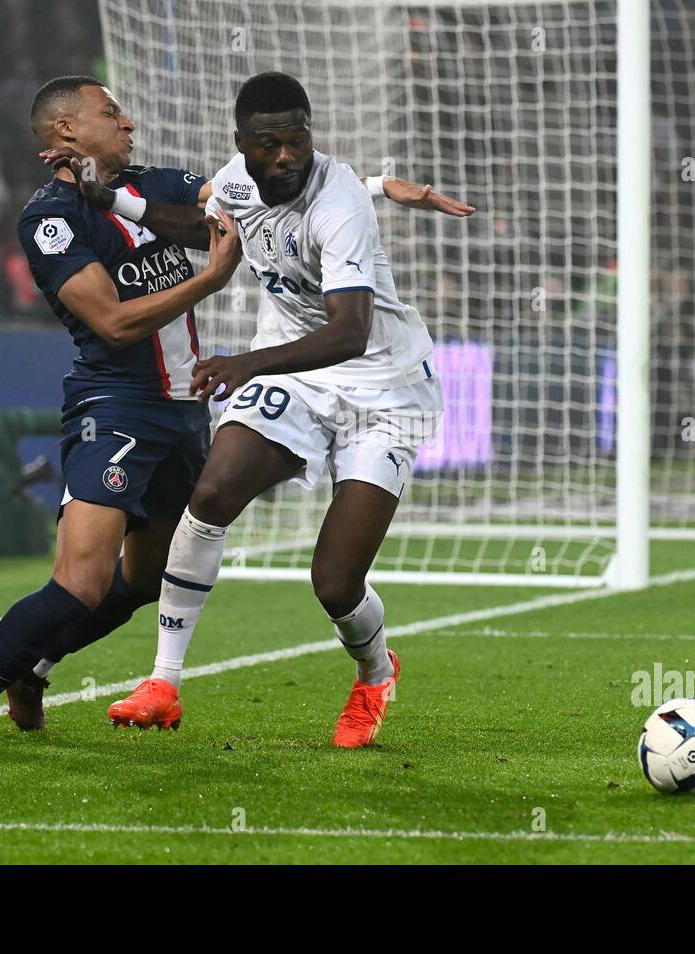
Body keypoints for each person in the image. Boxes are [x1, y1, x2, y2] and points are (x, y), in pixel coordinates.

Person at [0, 74, 473, 750]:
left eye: (122, 111)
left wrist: (372, 188)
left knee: (198, 579)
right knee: (101, 569)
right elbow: (120, 320)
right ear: (65, 132)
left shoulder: (156, 184)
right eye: (110, 112)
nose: (129, 122)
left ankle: (39, 663)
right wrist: (209, 281)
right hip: (118, 407)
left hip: (272, 397)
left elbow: (267, 212)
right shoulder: (52, 218)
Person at [105, 71, 458, 747]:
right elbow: (206, 227)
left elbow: (349, 330)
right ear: (244, 144)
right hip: (297, 373)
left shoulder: (340, 206)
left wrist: (245, 363)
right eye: (270, 144)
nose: (287, 156)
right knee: (212, 490)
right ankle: (163, 681)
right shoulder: (236, 179)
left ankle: (375, 673)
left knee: (333, 582)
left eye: (297, 140)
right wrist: (114, 200)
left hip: (381, 387)